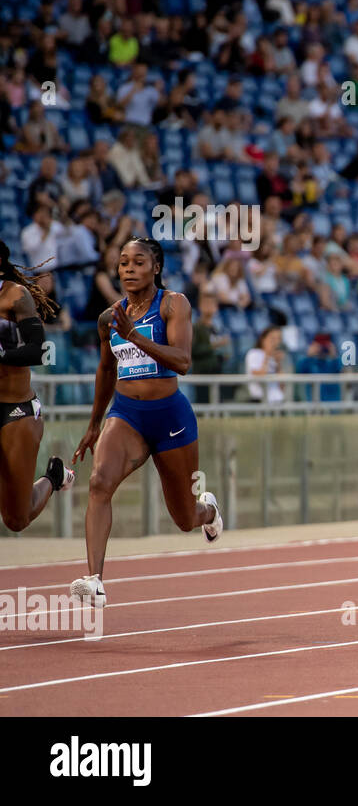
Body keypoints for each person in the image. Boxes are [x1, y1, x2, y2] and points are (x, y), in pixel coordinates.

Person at [70, 237, 223, 607]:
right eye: (123, 263)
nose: (129, 269)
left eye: (138, 262)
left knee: (184, 518)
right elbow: (106, 369)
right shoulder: (109, 317)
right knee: (99, 483)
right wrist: (94, 424)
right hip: (126, 414)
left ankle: (209, 510)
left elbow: (183, 361)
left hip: (170, 417)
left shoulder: (174, 304)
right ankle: (94, 580)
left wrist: (135, 335)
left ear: (156, 267)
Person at [0, 241, 75, 532]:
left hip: (16, 410)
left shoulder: (16, 296)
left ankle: (54, 477)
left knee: (16, 519)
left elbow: (37, 350)